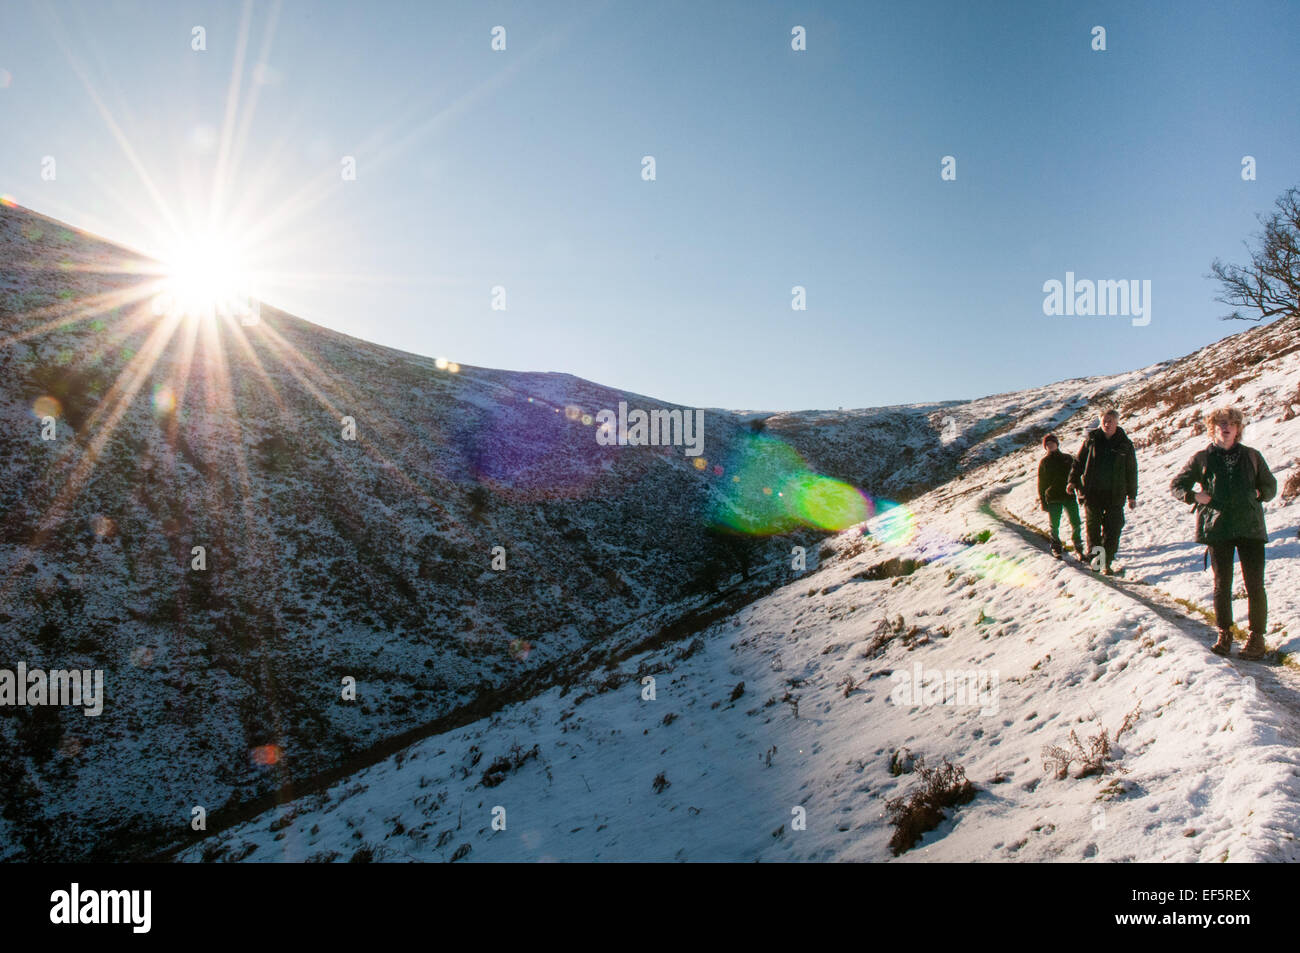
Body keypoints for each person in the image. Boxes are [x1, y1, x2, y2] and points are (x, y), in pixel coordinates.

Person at [1170, 407, 1277, 659]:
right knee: (1222, 585)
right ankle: (1225, 633)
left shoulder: (1252, 456)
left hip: (1250, 528)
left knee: (1255, 585)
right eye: (1220, 424)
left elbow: (1270, 486)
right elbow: (1177, 485)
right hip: (1218, 529)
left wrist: (1257, 494)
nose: (1225, 427)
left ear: (1238, 428)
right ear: (1212, 428)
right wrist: (1194, 496)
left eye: (1230, 423)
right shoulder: (1202, 458)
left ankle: (1256, 638)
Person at [1067, 409, 1138, 575]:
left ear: (1117, 422)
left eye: (1110, 421)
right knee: (1093, 530)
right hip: (1092, 493)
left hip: (1115, 494)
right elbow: (1078, 463)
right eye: (1104, 421)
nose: (1107, 424)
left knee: (1113, 529)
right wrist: (1072, 481)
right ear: (1100, 422)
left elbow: (1131, 471)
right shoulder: (1091, 441)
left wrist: (1132, 495)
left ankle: (1107, 561)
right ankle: (1098, 560)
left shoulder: (1125, 444)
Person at [1037, 433, 1083, 558]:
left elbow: (1076, 477)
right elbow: (1041, 483)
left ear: (1057, 444)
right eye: (1047, 444)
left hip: (1069, 496)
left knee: (1076, 522)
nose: (1050, 446)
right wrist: (1043, 501)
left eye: (1052, 443)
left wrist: (1080, 492)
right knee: (1054, 525)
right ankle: (1056, 547)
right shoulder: (1044, 462)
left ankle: (1078, 546)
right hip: (1053, 498)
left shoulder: (1068, 458)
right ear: (1045, 447)